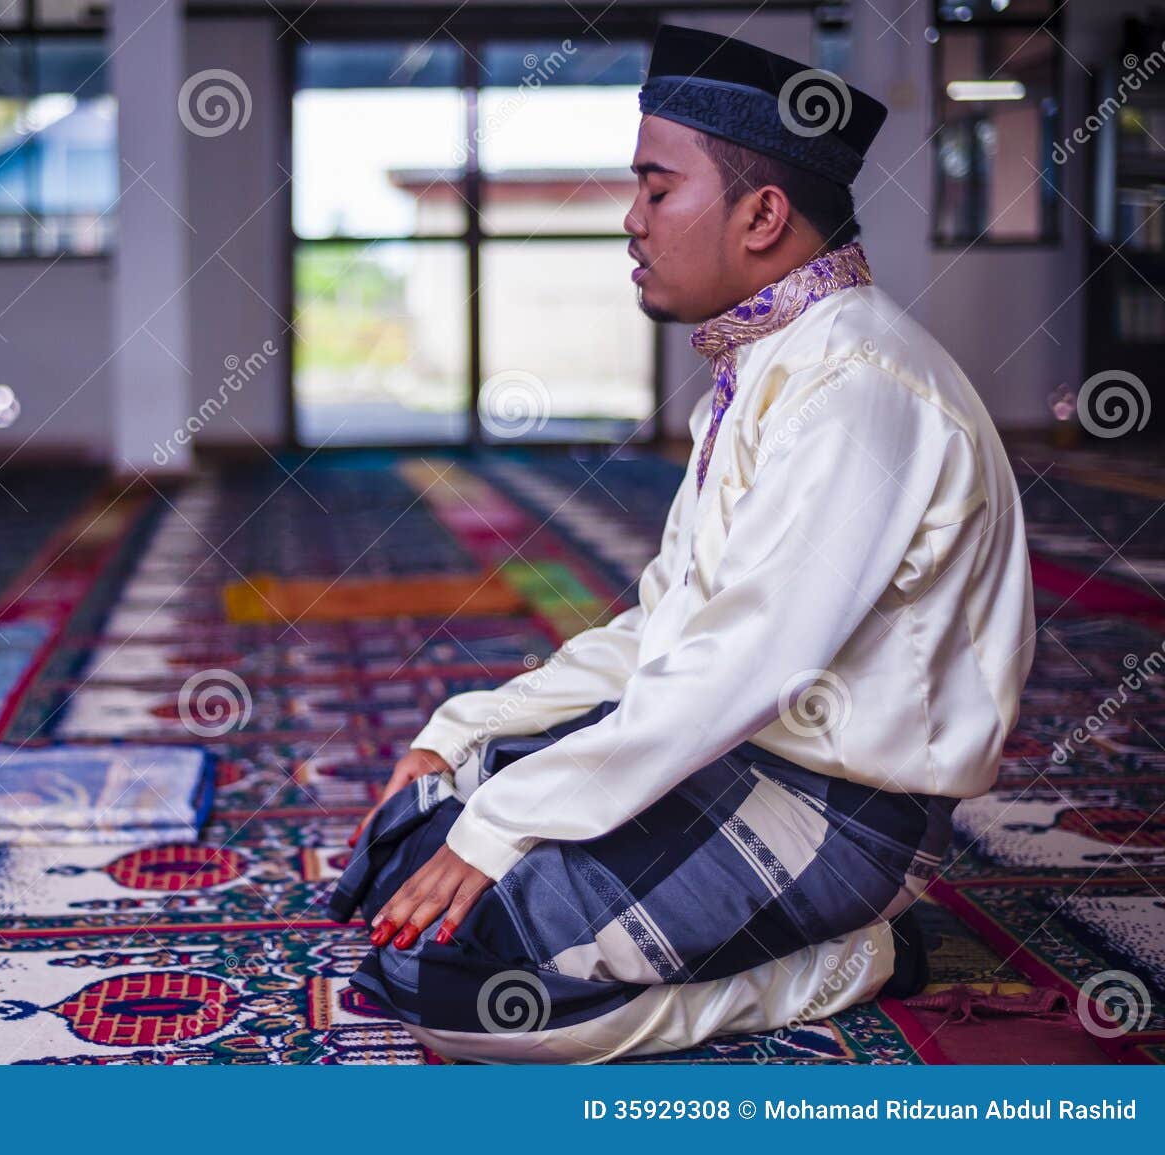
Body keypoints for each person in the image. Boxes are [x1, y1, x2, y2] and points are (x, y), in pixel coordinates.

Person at [325, 24, 1036, 1063]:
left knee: (448, 991)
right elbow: (667, 625)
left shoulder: (858, 392)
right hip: (733, 748)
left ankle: (845, 961)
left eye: (656, 189)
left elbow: (732, 667)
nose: (630, 221)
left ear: (761, 215)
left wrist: (502, 823)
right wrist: (465, 726)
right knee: (420, 833)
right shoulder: (761, 370)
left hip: (837, 814)